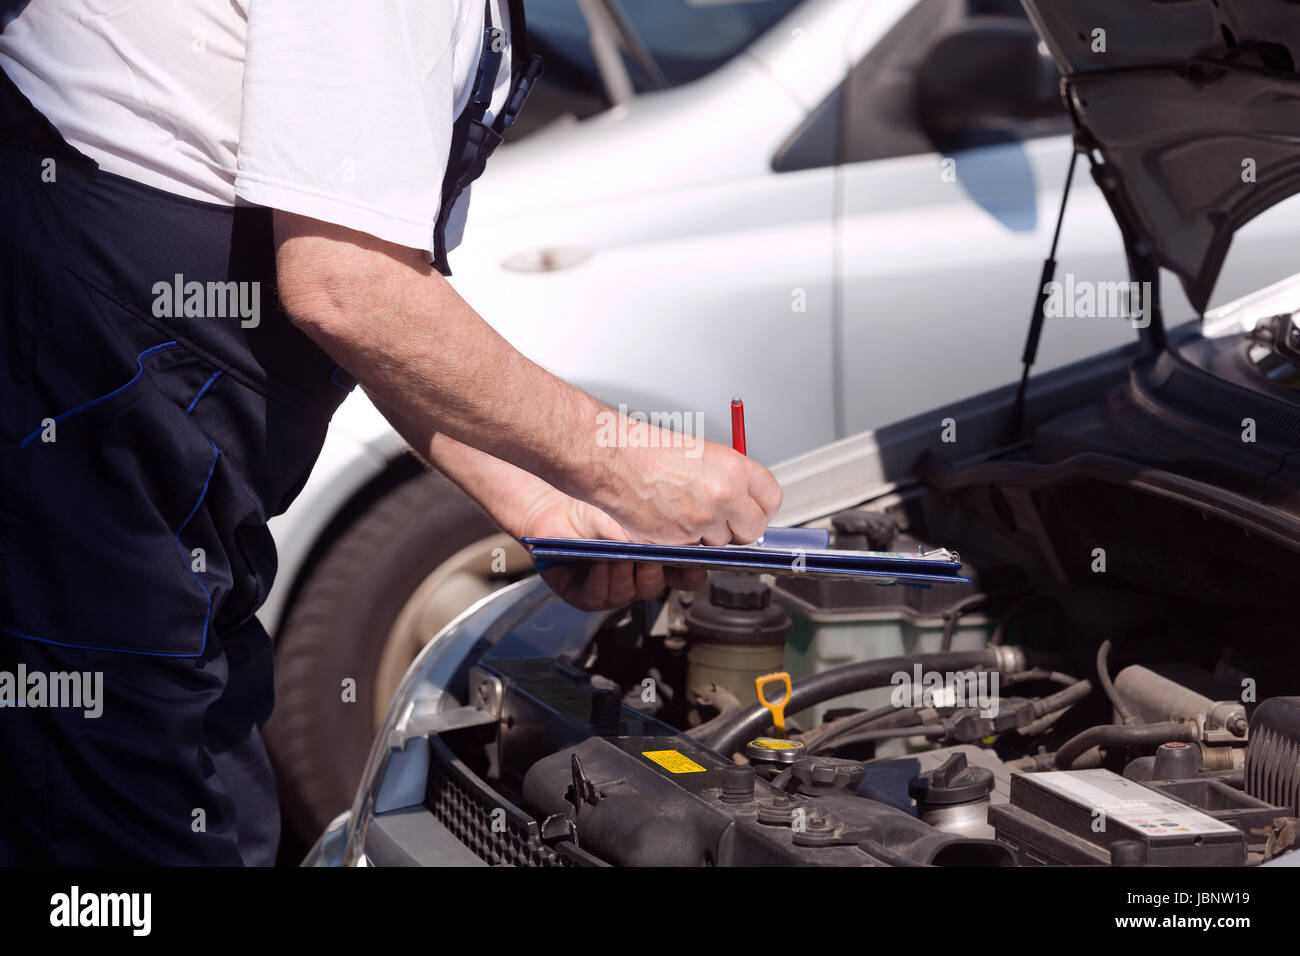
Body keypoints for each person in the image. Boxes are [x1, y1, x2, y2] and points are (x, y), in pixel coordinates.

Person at [0, 0, 781, 865]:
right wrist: (627, 465)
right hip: (90, 422)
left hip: (175, 478)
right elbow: (347, 287)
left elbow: (360, 303)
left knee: (219, 820)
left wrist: (541, 501)